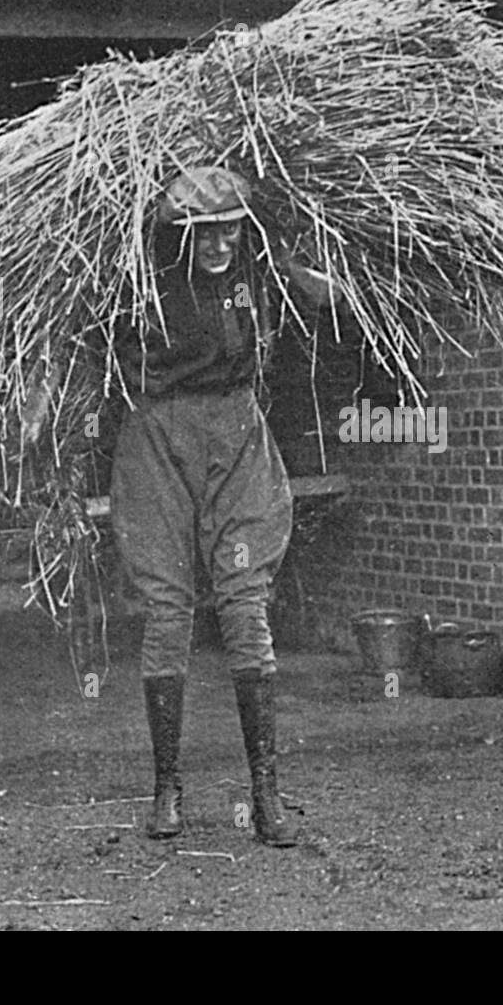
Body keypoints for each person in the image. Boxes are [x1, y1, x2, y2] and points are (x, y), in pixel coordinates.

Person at [109, 165, 338, 847]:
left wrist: (300, 263)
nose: (217, 245)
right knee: (167, 605)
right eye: (202, 233)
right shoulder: (143, 277)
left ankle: (266, 793)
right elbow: (87, 334)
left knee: (244, 603)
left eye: (229, 231)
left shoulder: (258, 270)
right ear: (177, 234)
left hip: (236, 435)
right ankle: (167, 788)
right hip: (158, 437)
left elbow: (325, 296)